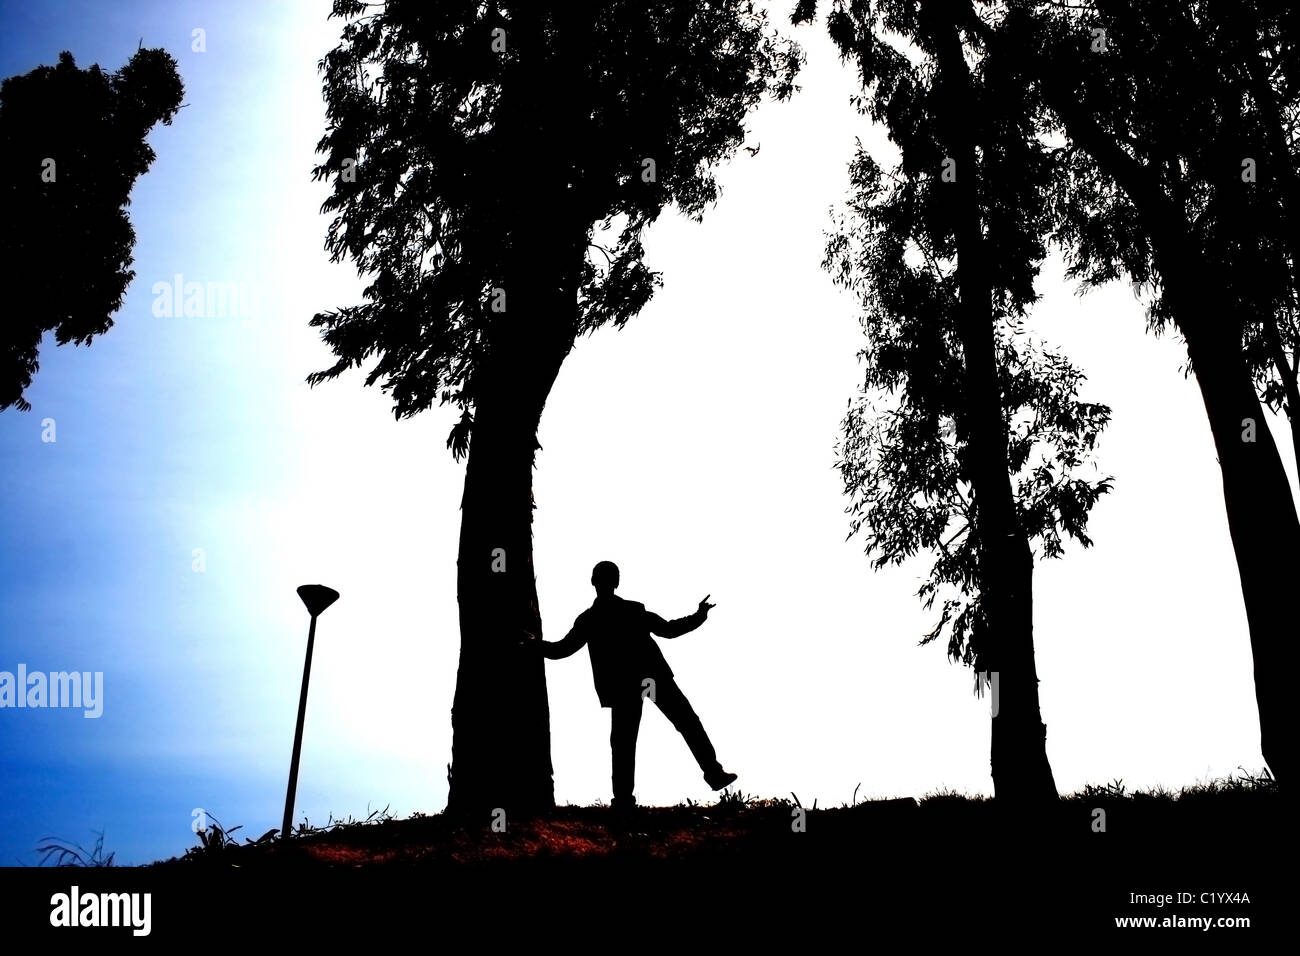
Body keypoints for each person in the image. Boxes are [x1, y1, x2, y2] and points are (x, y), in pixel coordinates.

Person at [532, 560, 737, 812]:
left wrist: (534, 645)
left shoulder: (589, 619)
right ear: (616, 582)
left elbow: (560, 649)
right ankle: (712, 774)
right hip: (651, 678)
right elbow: (670, 630)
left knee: (624, 742)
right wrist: (699, 616)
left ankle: (623, 800)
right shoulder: (631, 611)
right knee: (684, 723)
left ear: (593, 581)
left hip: (624, 686)